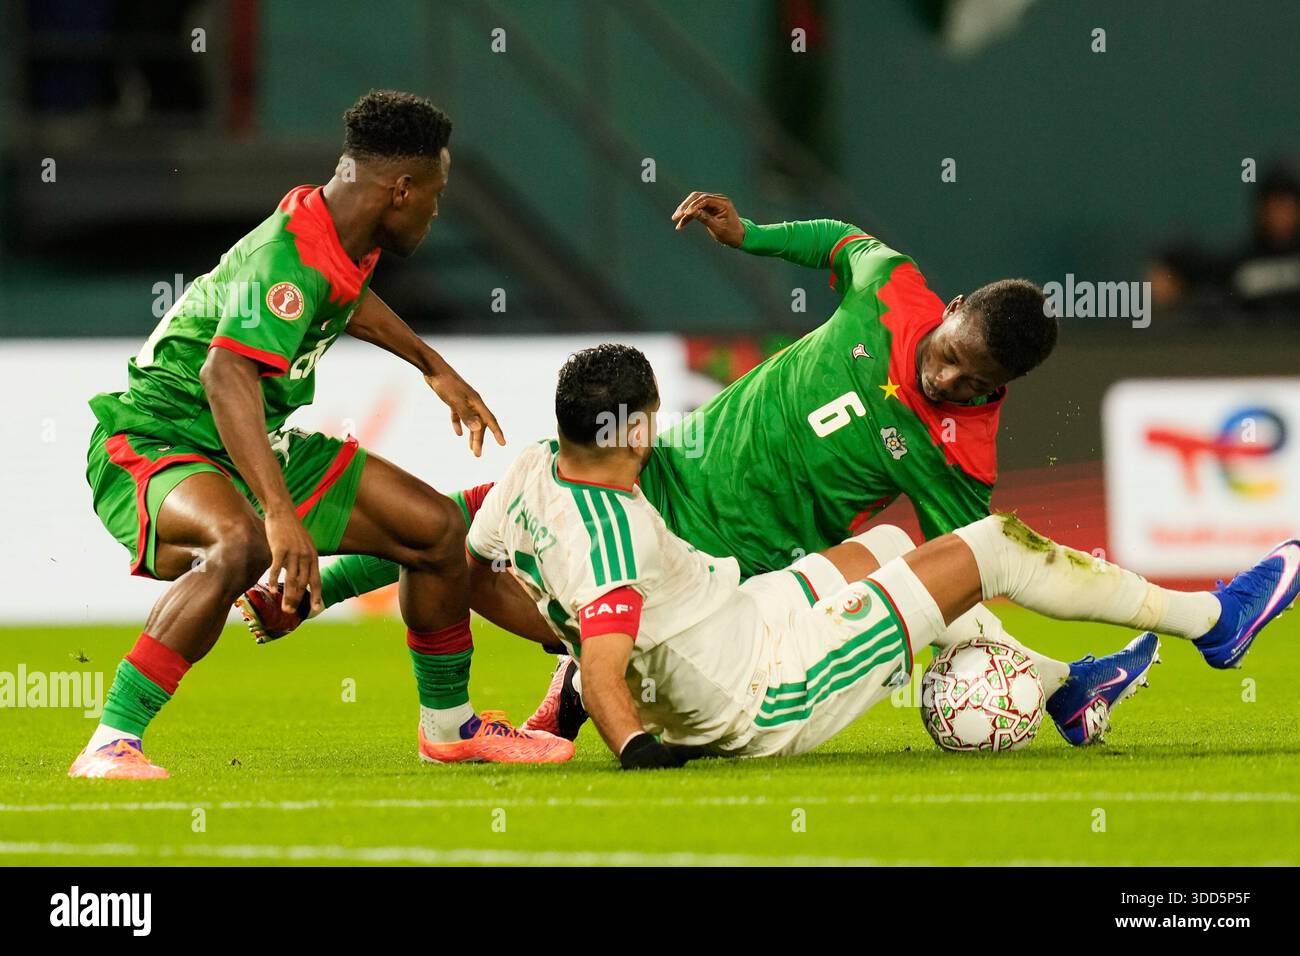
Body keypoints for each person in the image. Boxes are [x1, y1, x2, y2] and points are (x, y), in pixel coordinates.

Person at [238, 189, 1144, 746]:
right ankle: (317, 594)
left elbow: (964, 569)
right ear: (945, 315)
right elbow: (837, 240)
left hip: (726, 559)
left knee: (532, 575)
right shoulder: (893, 293)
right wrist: (748, 235)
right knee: (462, 520)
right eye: (948, 353)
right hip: (673, 472)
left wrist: (1019, 647)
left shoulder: (963, 452)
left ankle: (581, 692)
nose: (945, 376)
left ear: (998, 389)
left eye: (969, 378)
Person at [467, 344, 1299, 767]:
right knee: (993, 546)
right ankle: (1215, 620)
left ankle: (1065, 690)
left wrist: (560, 631)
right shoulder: (615, 533)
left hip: (735, 615)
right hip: (762, 689)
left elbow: (464, 564)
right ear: (638, 427)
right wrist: (643, 752)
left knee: (891, 545)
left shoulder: (532, 470)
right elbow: (608, 674)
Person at [70, 90, 573, 780]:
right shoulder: (287, 257)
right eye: (435, 191)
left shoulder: (337, 231)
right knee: (241, 544)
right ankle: (110, 742)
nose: (436, 206)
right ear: (401, 189)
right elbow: (225, 376)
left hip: (245, 443)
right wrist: (280, 515)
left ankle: (449, 729)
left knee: (432, 531)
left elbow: (347, 300)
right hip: (157, 439)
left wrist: (434, 366)